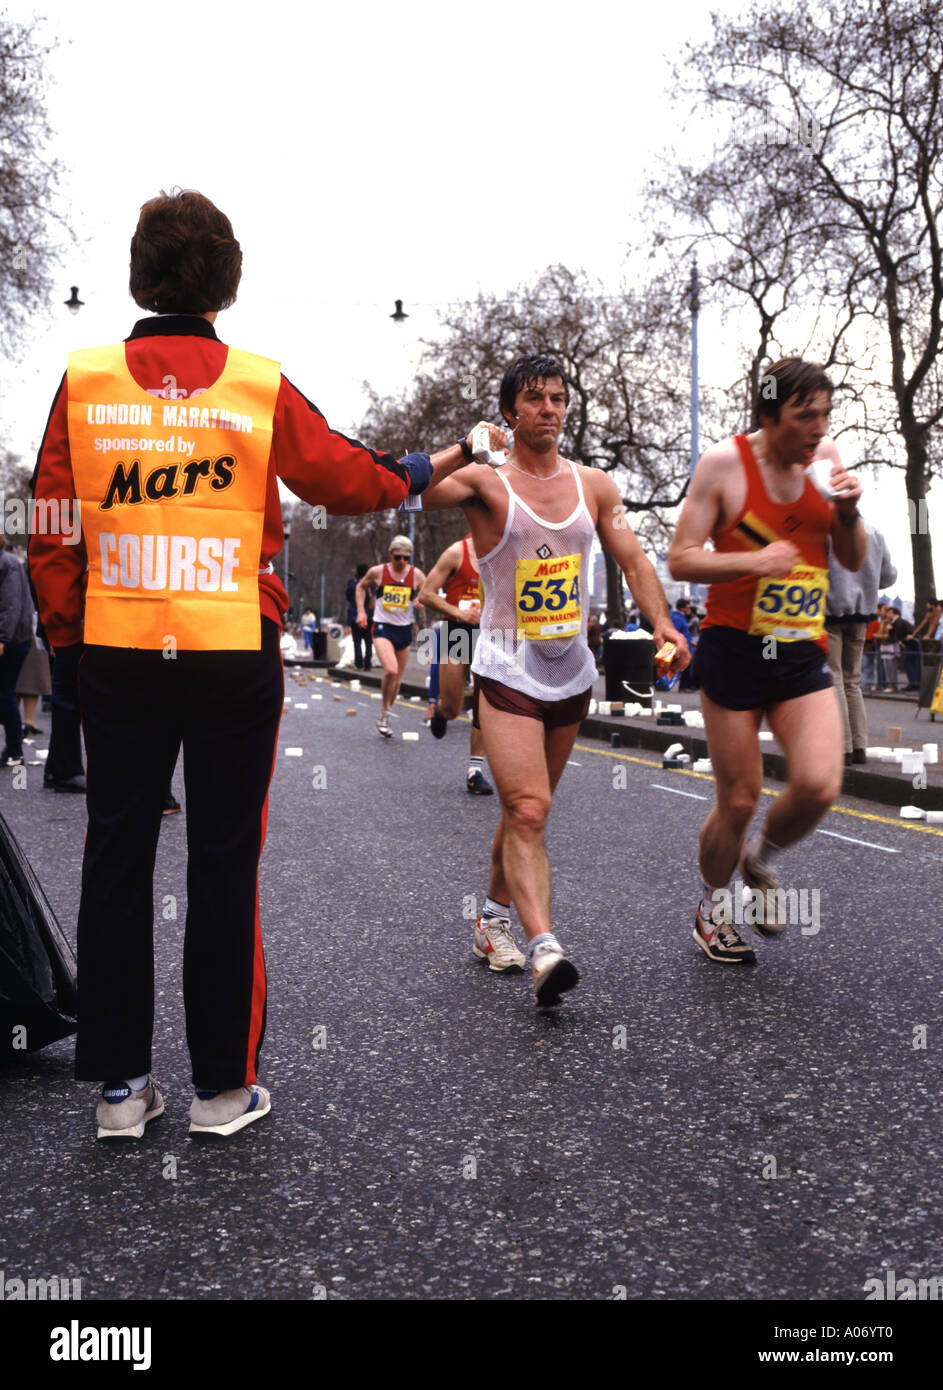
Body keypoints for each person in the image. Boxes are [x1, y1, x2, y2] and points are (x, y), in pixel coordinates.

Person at [28, 187, 473, 1140]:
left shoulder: (86, 379)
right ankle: (222, 1090)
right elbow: (348, 476)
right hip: (232, 649)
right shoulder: (256, 383)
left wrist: (65, 645)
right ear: (226, 285)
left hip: (117, 645)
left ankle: (118, 1092)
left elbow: (51, 524)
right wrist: (427, 466)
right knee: (224, 862)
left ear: (138, 275)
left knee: (115, 858)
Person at [421, 354, 689, 1000]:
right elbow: (417, 490)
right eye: (535, 399)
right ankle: (545, 948)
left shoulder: (593, 486)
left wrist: (662, 623)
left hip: (570, 671)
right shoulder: (486, 483)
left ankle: (489, 920)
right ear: (510, 411)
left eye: (557, 398)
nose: (548, 409)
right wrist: (466, 448)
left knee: (525, 816)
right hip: (506, 666)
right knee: (528, 808)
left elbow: (631, 558)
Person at [668, 357, 866, 965]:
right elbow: (681, 558)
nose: (818, 428)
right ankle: (711, 909)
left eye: (826, 415)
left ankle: (758, 859)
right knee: (737, 799)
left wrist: (851, 511)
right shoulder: (723, 466)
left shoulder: (825, 462)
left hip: (800, 649)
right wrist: (751, 562)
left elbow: (852, 559)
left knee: (819, 783)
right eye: (805, 416)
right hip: (734, 649)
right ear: (768, 415)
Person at [418, 532, 494, 794]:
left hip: (495, 635)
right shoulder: (456, 552)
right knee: (453, 707)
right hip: (458, 632)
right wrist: (460, 612)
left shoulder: (510, 549)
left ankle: (475, 771)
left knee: (488, 704)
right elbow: (426, 593)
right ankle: (441, 711)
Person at [825, 523, 896, 763]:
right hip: (862, 613)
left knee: (835, 678)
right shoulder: (874, 532)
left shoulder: (826, 530)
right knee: (853, 681)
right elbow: (888, 576)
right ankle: (860, 746)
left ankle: (842, 747)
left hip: (830, 613)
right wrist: (866, 580)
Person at [356, 536, 426, 738]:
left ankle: (384, 714)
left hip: (404, 630)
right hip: (382, 627)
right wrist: (361, 612)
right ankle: (385, 711)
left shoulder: (416, 575)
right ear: (390, 554)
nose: (402, 562)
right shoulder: (378, 572)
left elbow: (428, 592)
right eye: (398, 557)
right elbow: (361, 587)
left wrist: (421, 599)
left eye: (406, 558)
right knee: (391, 670)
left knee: (397, 681)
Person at [0, 533, 34, 768]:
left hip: (12, 640)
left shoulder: (7, 563)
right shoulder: (7, 562)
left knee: (5, 695)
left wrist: (2, 638)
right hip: (12, 637)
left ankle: (15, 751)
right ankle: (14, 750)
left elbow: (10, 605)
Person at [346, 563, 373, 670]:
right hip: (370, 616)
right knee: (368, 641)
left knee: (357, 641)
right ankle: (368, 663)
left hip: (355, 615)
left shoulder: (353, 584)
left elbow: (348, 597)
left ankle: (358, 663)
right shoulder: (371, 585)